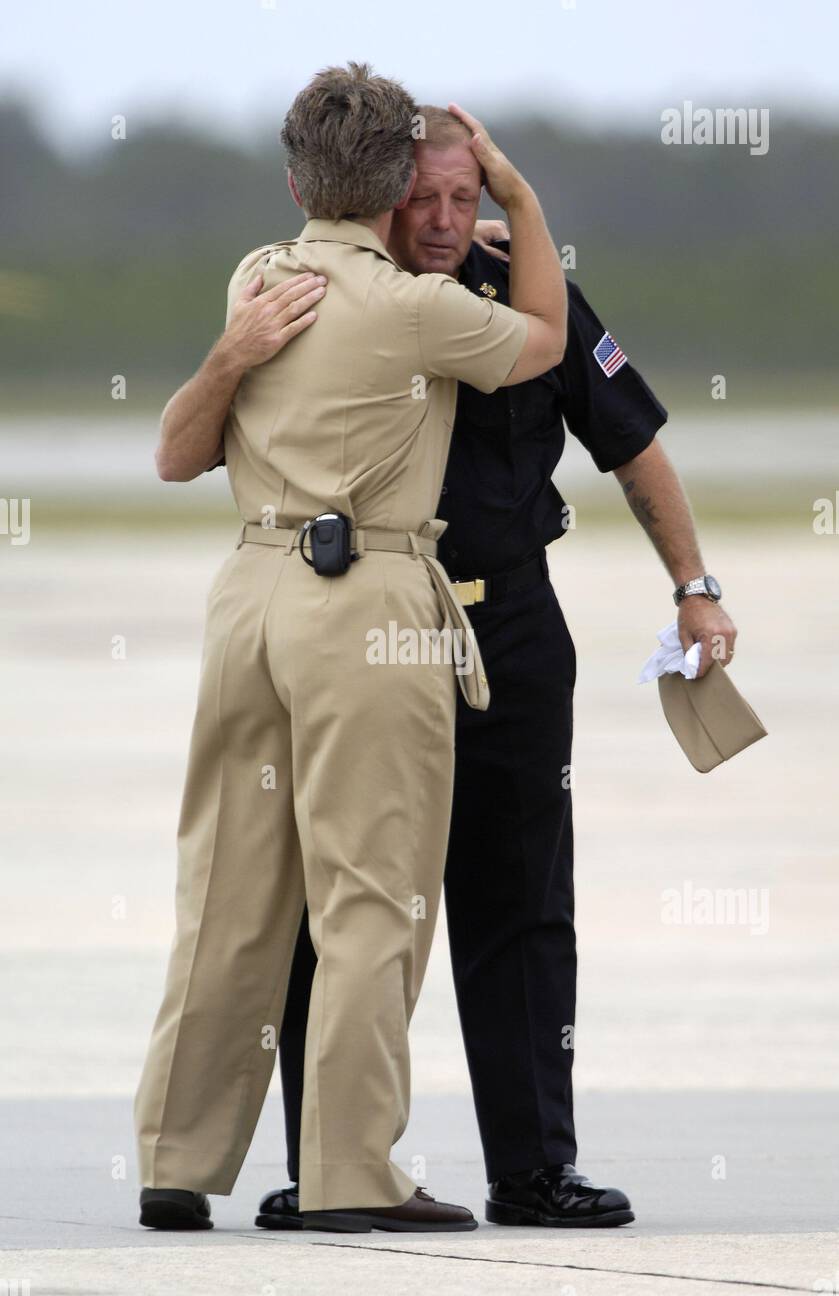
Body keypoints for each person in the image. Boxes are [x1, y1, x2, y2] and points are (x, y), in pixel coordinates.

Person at [249, 106, 739, 1232]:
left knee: (520, 907)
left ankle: (533, 1170)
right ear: (373, 193)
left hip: (508, 624)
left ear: (491, 195)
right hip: (370, 628)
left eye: (460, 197)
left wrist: (693, 585)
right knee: (340, 901)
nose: (436, 219)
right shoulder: (323, 293)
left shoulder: (531, 295)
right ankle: (325, 1165)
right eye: (415, 196)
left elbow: (630, 441)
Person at [133, 67, 569, 1234]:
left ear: (295, 182)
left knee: (226, 890)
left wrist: (232, 355)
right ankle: (350, 1172)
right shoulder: (413, 309)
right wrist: (517, 209)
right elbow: (538, 340)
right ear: (392, 196)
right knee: (371, 897)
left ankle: (176, 1160)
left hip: (248, 595)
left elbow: (180, 456)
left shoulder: (256, 281)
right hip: (363, 599)